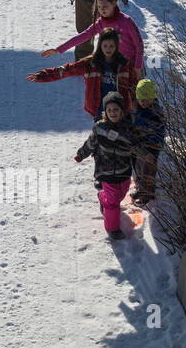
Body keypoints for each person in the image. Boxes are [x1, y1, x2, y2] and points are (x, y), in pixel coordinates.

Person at [27, 29, 139, 119]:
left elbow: (134, 86)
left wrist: (136, 104)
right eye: (105, 46)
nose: (108, 49)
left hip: (120, 110)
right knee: (102, 136)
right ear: (100, 45)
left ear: (117, 46)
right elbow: (66, 70)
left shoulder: (125, 64)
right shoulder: (90, 63)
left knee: (121, 138)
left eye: (111, 46)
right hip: (99, 109)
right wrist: (43, 75)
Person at [74, 91, 139, 240]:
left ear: (122, 111)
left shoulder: (128, 128)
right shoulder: (100, 128)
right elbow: (90, 144)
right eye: (109, 110)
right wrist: (81, 154)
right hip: (106, 171)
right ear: (105, 112)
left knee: (121, 194)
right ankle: (113, 229)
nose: (112, 113)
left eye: (116, 109)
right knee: (113, 203)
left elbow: (135, 146)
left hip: (124, 170)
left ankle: (102, 197)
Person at [40, 0, 143, 71]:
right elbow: (83, 36)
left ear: (114, 3)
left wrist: (137, 67)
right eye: (99, 7)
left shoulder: (126, 21)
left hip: (131, 65)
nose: (102, 9)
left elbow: (139, 46)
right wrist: (59, 49)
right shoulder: (101, 23)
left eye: (105, 6)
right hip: (114, 65)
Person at [130, 78, 165, 204]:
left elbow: (159, 133)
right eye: (140, 99)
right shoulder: (137, 109)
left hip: (150, 148)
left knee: (148, 172)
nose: (142, 102)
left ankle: (147, 195)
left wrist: (153, 150)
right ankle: (140, 189)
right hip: (138, 146)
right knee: (138, 169)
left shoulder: (156, 113)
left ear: (152, 97)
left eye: (145, 99)